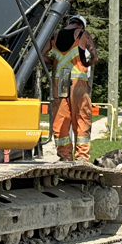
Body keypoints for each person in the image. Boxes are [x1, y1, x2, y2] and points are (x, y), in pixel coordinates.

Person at [42, 15, 99, 162]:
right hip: (78, 83)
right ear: (81, 25)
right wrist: (86, 64)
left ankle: (65, 157)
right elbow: (95, 57)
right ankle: (81, 158)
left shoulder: (54, 36)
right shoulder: (82, 34)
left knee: (61, 120)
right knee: (81, 118)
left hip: (59, 82)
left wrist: (53, 63)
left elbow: (41, 54)